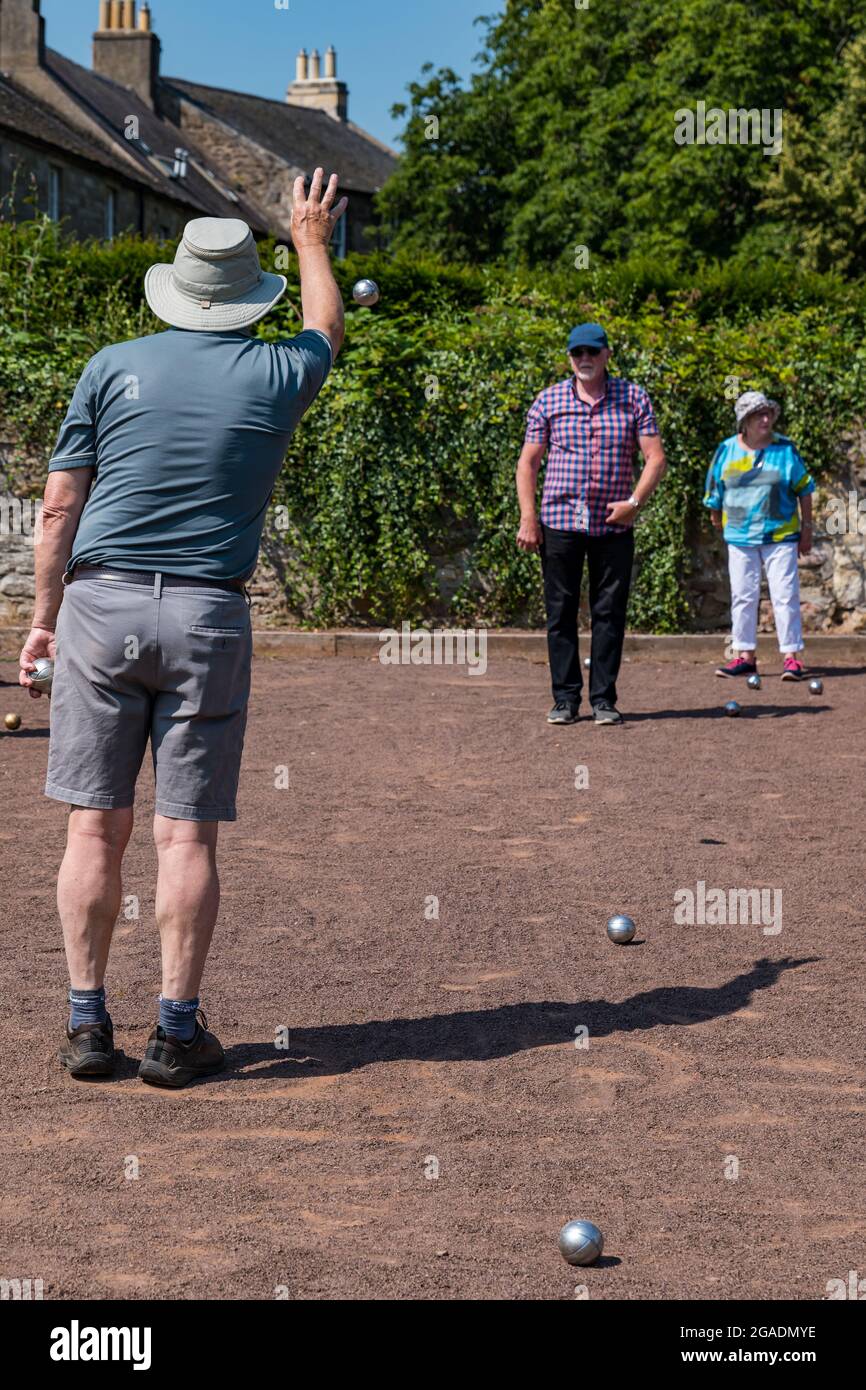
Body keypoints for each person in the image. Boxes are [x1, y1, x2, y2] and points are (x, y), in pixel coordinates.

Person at [18, 170, 347, 1087]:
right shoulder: (278, 372)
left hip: (100, 607)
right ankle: (174, 1032)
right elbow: (326, 328)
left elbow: (55, 511)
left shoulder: (110, 366)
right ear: (246, 298)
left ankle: (88, 1027)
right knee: (186, 837)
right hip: (208, 612)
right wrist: (310, 235)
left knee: (94, 828)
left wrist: (42, 621)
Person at [515, 321, 667, 724]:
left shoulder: (633, 398)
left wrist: (635, 503)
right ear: (569, 357)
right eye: (577, 353)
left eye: (592, 352)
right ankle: (565, 699)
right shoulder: (549, 401)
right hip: (560, 521)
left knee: (609, 612)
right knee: (560, 612)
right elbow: (528, 462)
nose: (584, 359)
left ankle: (603, 700)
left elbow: (655, 457)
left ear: (606, 356)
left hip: (613, 523)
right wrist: (528, 518)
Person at [706, 391, 815, 681]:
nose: (765, 419)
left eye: (768, 413)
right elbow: (714, 490)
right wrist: (716, 517)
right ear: (745, 421)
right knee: (743, 596)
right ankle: (745, 657)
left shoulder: (785, 450)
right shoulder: (726, 450)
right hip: (741, 538)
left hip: (781, 537)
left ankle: (791, 658)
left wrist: (807, 530)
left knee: (785, 596)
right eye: (758, 415)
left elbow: (805, 489)